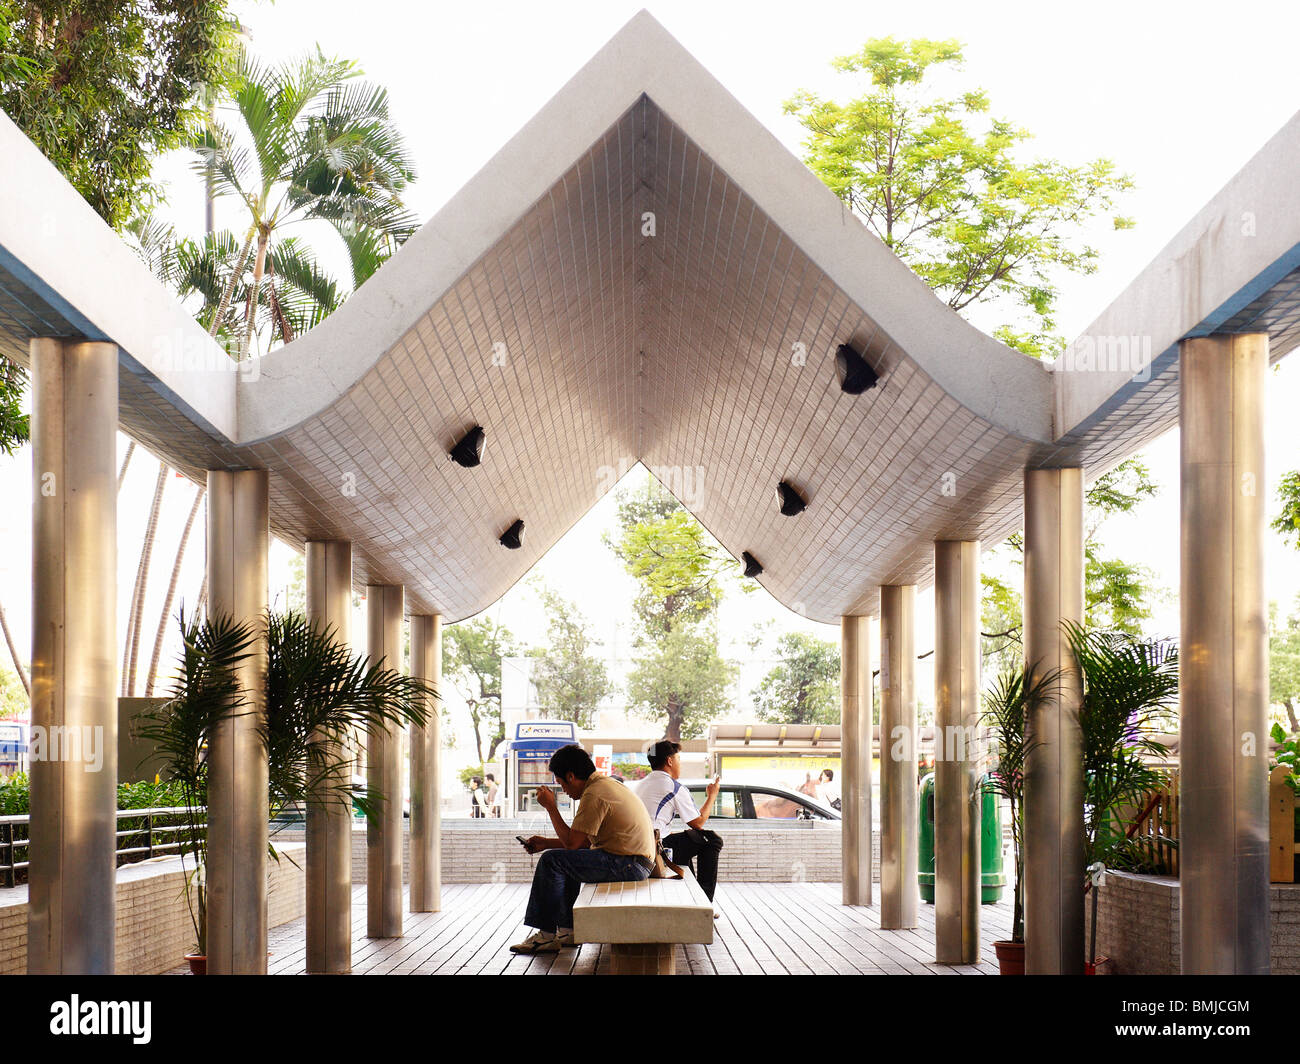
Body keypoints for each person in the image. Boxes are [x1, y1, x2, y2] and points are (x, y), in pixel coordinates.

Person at [509, 744, 655, 954]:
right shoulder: (605, 785)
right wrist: (546, 843)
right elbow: (583, 843)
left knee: (552, 861)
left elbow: (572, 844)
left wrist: (551, 807)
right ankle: (567, 930)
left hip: (630, 864)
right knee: (565, 860)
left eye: (561, 784)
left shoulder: (594, 793)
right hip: (634, 862)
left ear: (570, 776)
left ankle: (546, 936)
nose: (564, 791)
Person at [634, 740, 724, 902]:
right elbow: (698, 823)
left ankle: (690, 895)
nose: (679, 764)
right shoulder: (673, 787)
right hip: (657, 848)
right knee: (712, 840)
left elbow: (654, 822)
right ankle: (704, 900)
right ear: (670, 761)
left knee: (689, 841)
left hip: (640, 844)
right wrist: (712, 795)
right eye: (679, 760)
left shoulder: (641, 785)